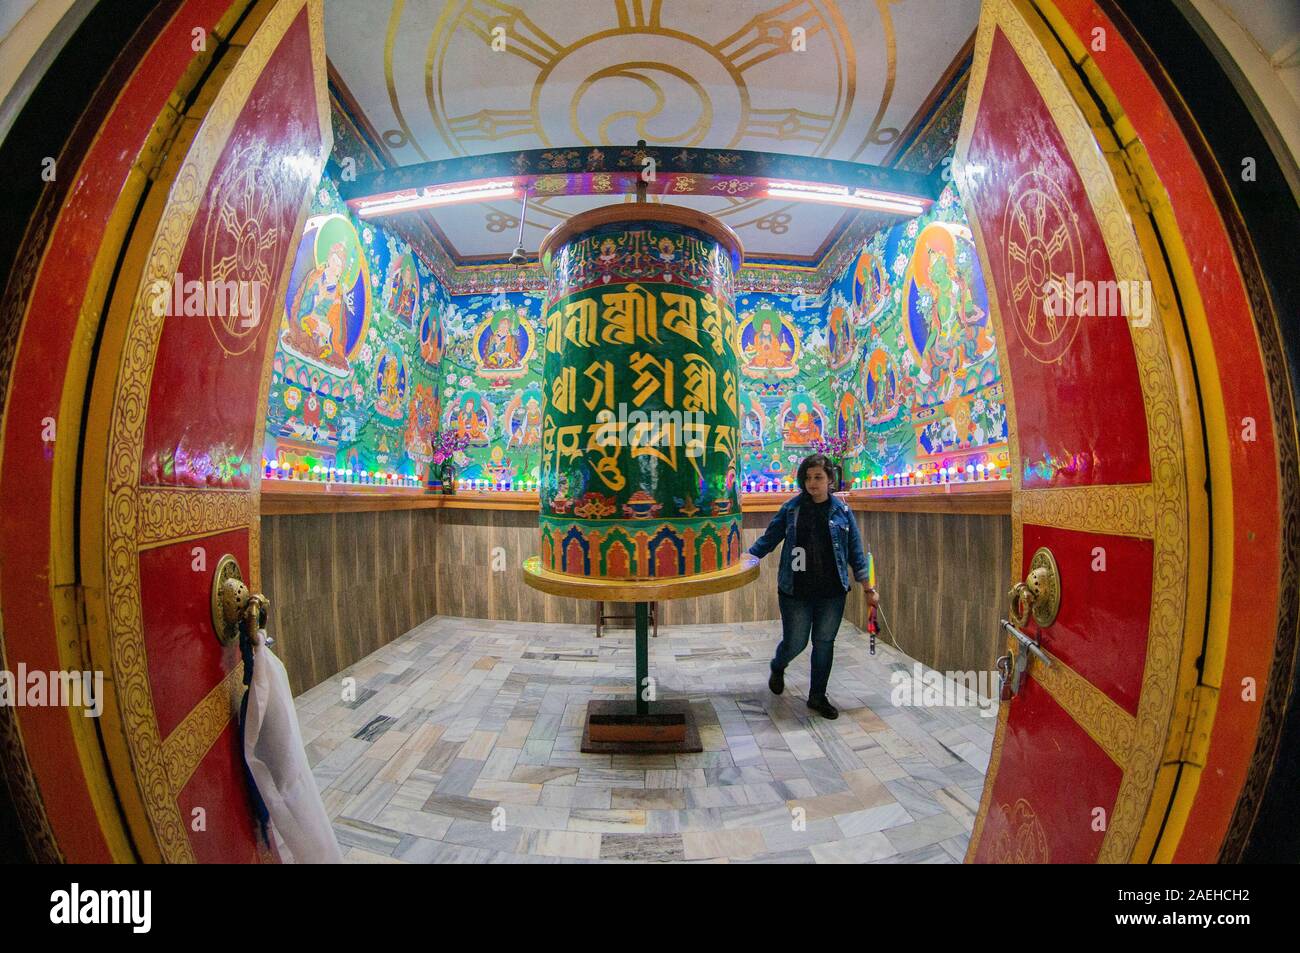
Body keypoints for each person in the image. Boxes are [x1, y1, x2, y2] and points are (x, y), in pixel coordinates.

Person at [748, 453, 879, 718]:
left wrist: (868, 589)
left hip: (832, 591)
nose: (812, 483)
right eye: (807, 478)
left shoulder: (842, 511)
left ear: (830, 479)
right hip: (796, 589)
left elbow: (855, 552)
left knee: (824, 643)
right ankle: (778, 664)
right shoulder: (791, 509)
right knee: (795, 642)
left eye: (818, 477)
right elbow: (769, 539)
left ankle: (817, 696)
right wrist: (747, 559)